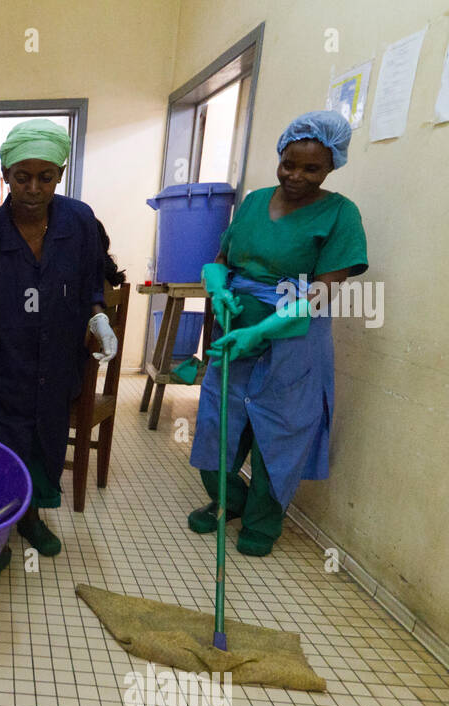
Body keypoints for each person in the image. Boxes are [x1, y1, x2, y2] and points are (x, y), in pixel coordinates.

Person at [0, 119, 118, 589]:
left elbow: (89, 280)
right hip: (3, 376)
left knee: (44, 443)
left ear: (60, 174)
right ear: (5, 173)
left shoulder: (79, 221)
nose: (34, 188)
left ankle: (31, 520)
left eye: (46, 177)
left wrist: (97, 315)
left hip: (58, 365)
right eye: (23, 177)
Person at [189, 110, 368, 556]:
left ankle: (264, 522)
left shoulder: (341, 214)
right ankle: (229, 500)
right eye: (289, 163)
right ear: (280, 155)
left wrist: (265, 330)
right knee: (218, 421)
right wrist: (217, 286)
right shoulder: (253, 202)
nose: (297, 176)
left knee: (279, 430)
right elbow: (222, 258)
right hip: (236, 329)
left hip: (294, 339)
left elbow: (323, 294)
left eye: (313, 168)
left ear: (332, 167)